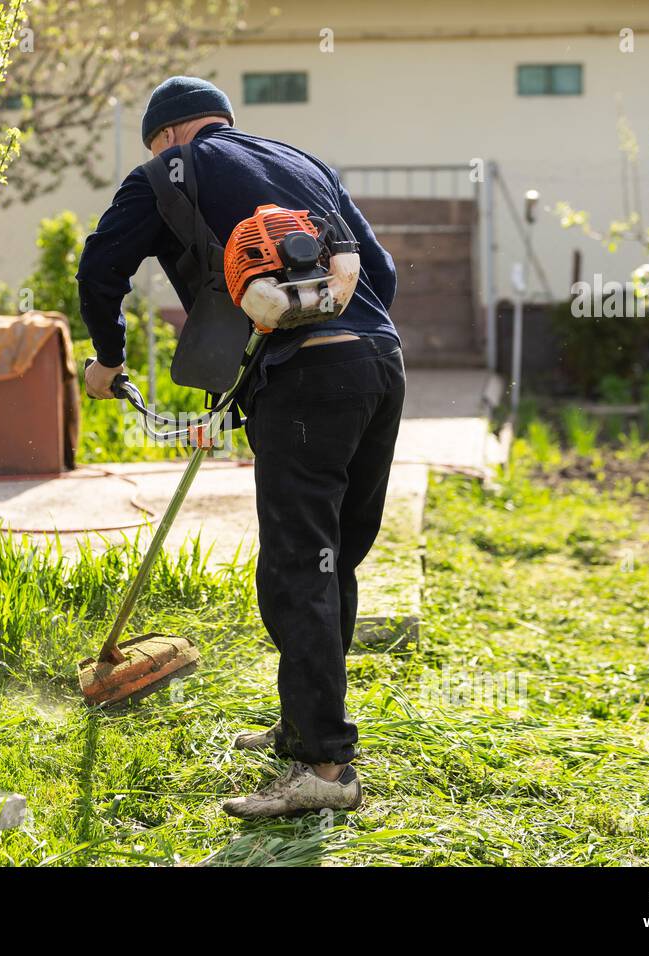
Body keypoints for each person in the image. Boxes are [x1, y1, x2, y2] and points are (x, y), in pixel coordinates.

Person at [76, 76, 405, 818]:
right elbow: (380, 274)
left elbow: (101, 268)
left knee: (297, 566)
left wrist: (108, 359)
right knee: (331, 559)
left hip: (306, 383)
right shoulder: (301, 162)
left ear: (164, 135)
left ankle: (326, 771)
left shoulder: (163, 173)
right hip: (380, 367)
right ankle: (307, 729)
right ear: (222, 121)